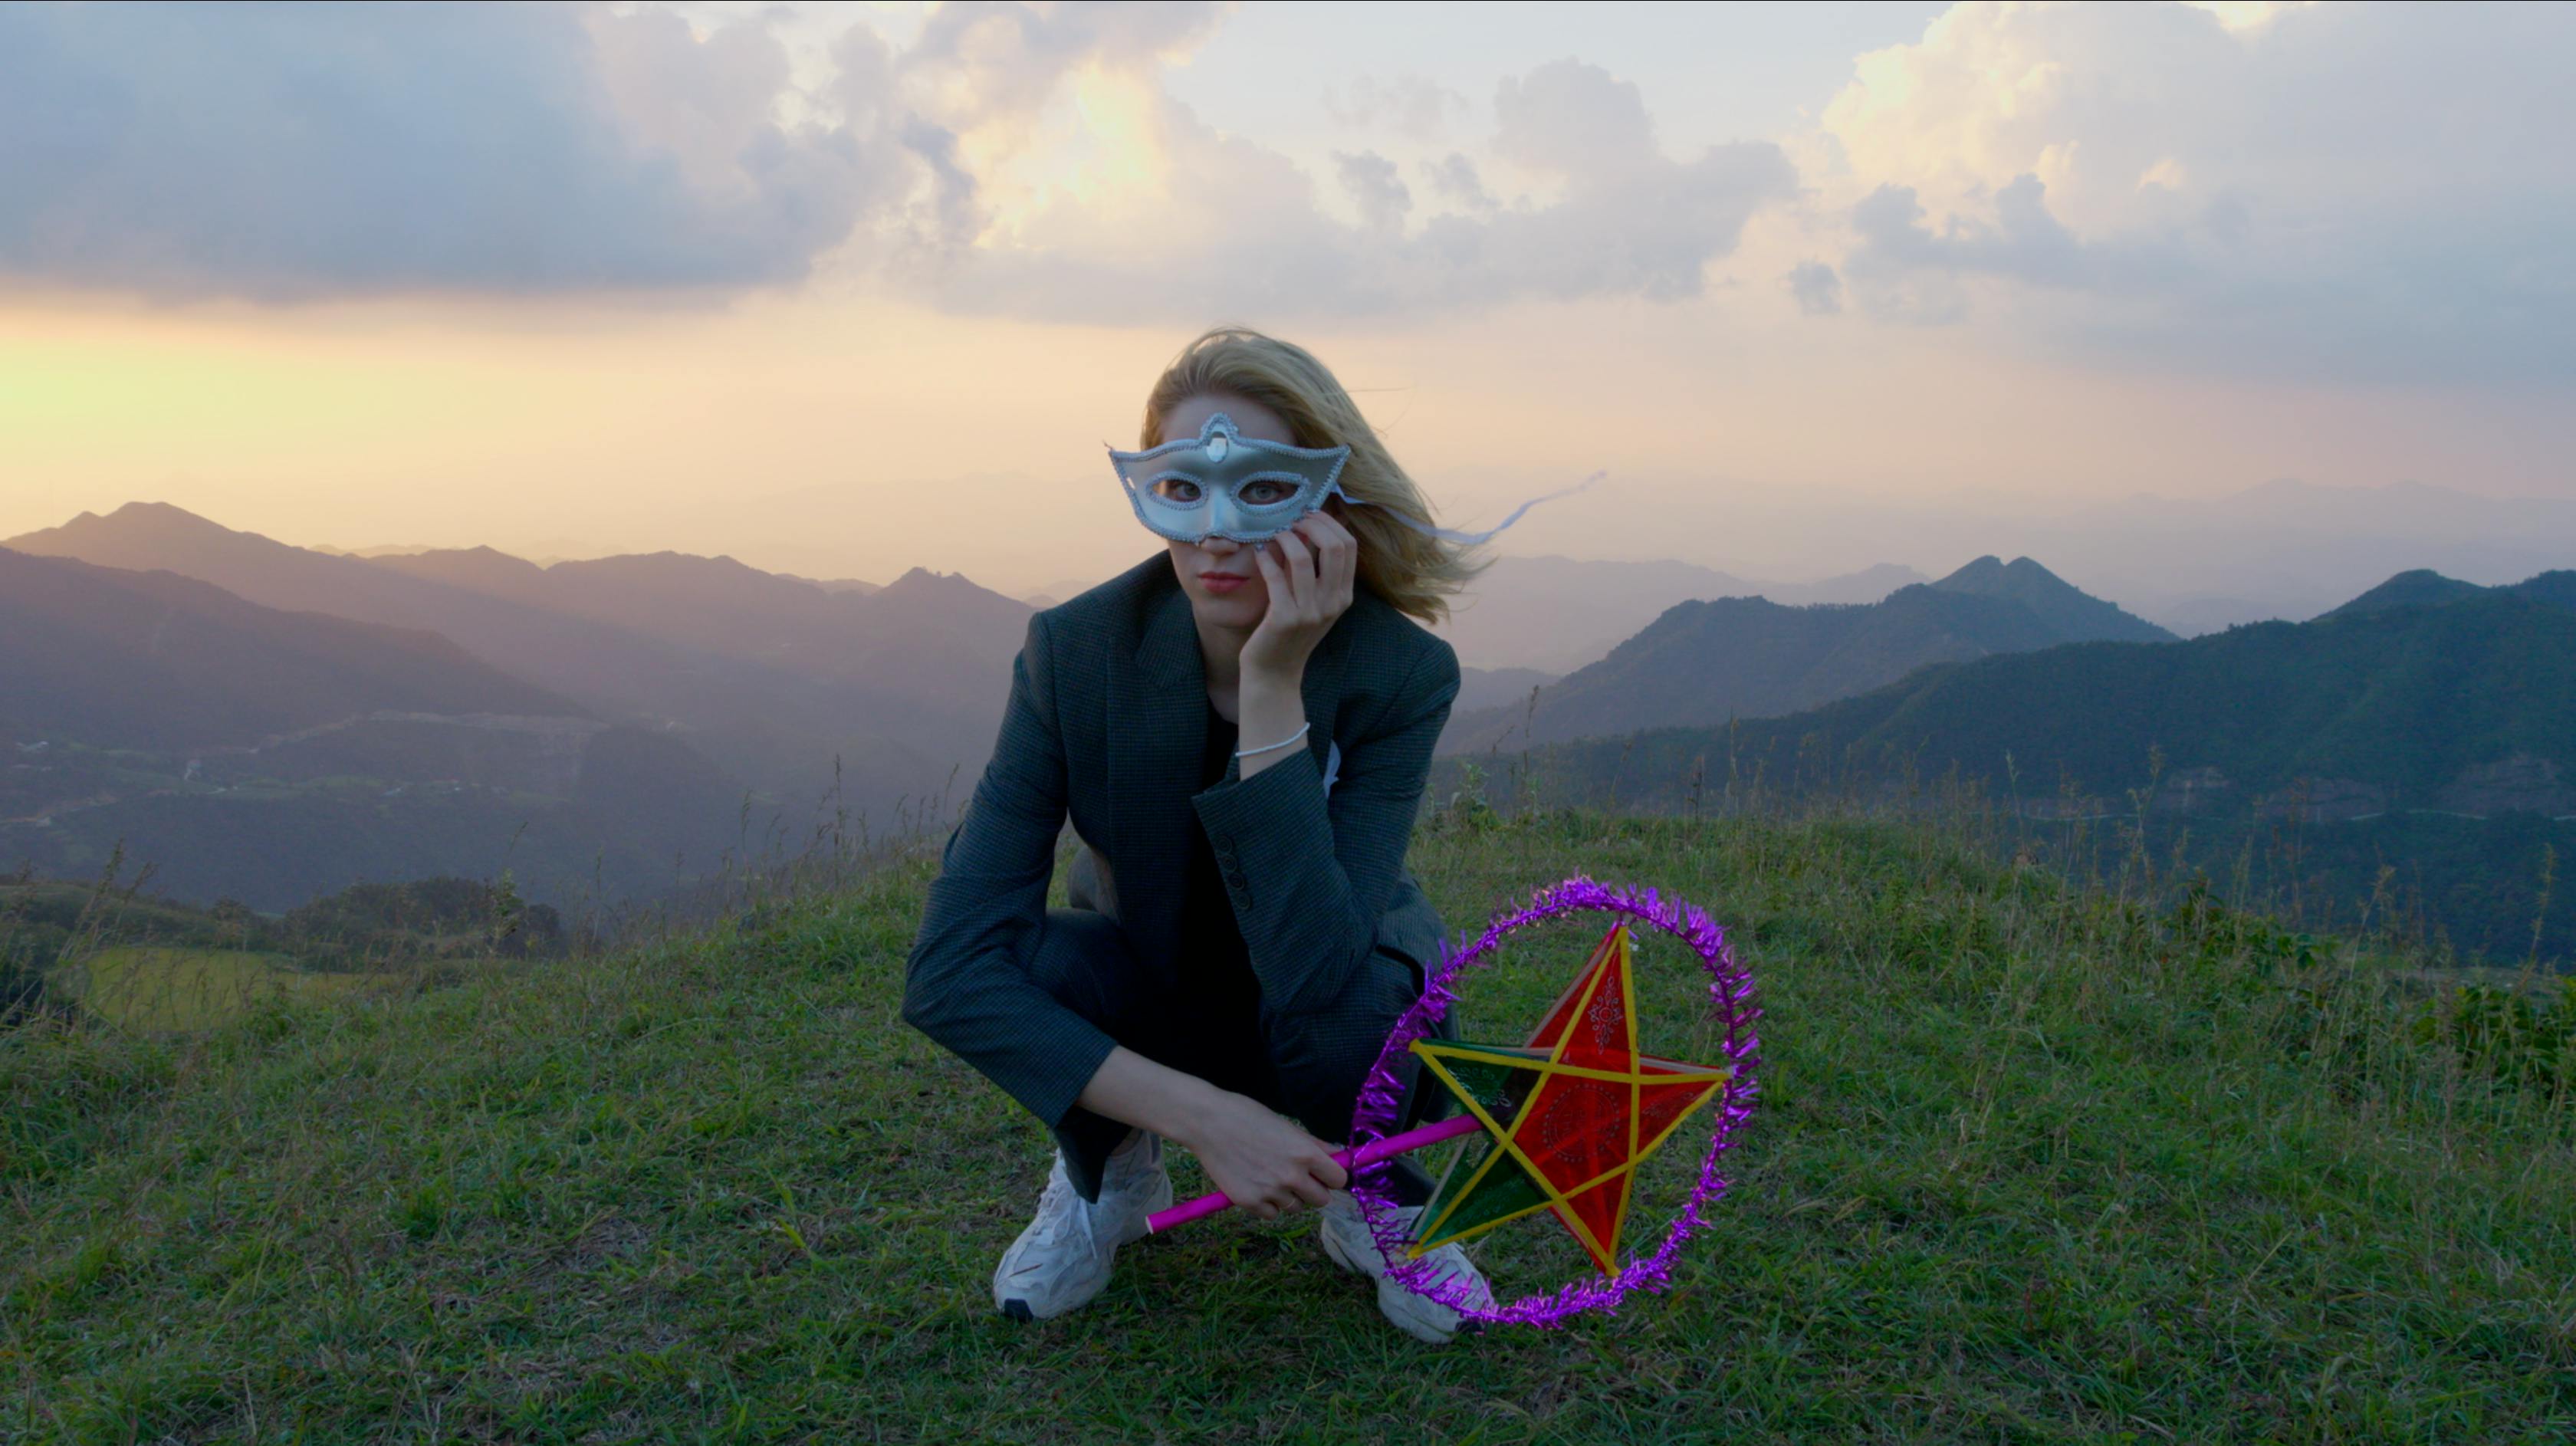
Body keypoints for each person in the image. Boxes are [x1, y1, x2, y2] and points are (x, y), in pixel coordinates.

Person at [902, 326, 1510, 1343]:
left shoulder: (1400, 674)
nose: (1218, 533)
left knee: (1362, 1011)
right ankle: (1112, 1170)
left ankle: (1373, 1190)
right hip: (1152, 973)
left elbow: (1319, 970)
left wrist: (1275, 689)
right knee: (1038, 961)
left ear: (1331, 495)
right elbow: (951, 969)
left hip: (1329, 991)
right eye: (1183, 487)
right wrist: (1206, 1119)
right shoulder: (1073, 652)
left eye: (1265, 487)